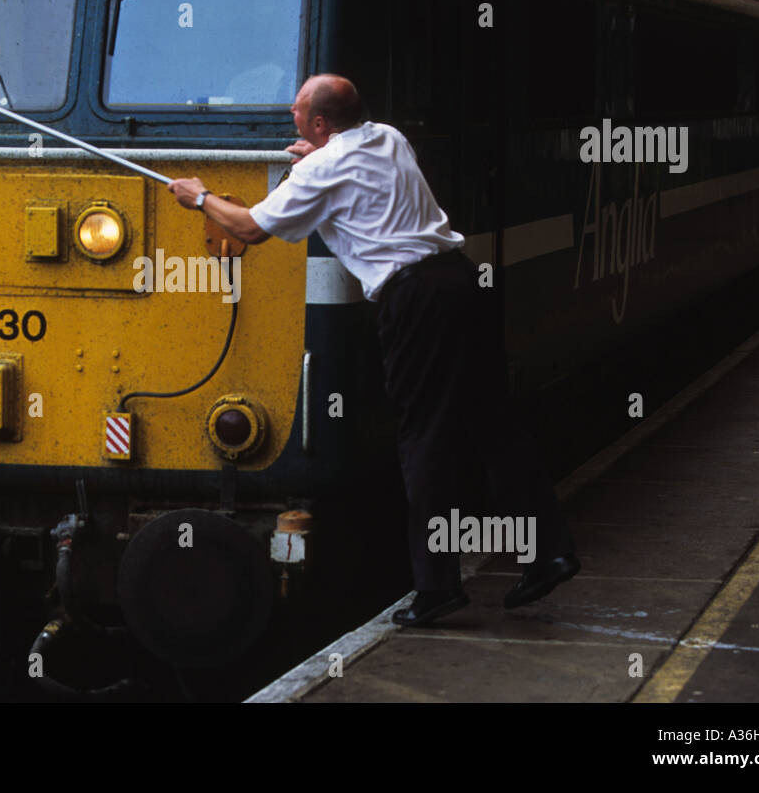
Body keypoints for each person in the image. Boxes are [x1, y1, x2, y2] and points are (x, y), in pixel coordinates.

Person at [167, 73, 579, 627]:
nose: (289, 112)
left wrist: (200, 198)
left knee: (423, 440)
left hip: (414, 301)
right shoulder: (389, 137)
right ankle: (550, 551)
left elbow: (250, 228)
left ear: (318, 123)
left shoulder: (318, 169)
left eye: (298, 110)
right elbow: (350, 169)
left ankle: (437, 588)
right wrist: (317, 154)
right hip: (460, 284)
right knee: (496, 424)